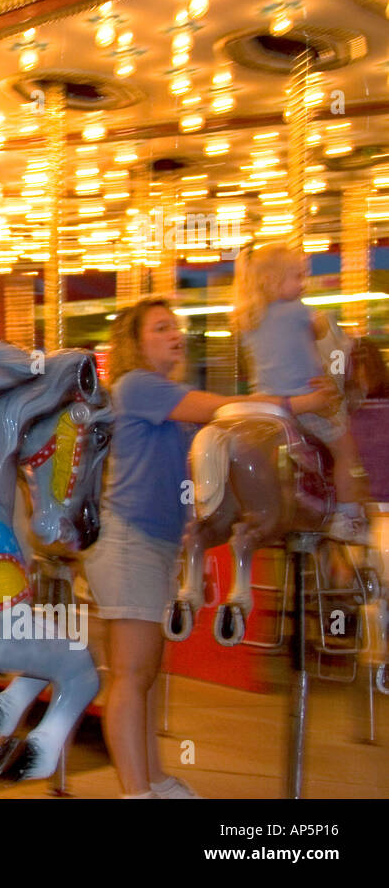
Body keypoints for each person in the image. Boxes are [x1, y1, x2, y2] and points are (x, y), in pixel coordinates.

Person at [84, 297, 337, 799]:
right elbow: (224, 409)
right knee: (132, 674)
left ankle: (153, 779)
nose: (176, 334)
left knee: (147, 674)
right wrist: (301, 403)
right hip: (128, 539)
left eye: (176, 327)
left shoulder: (168, 401)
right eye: (162, 328)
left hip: (155, 541)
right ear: (137, 342)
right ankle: (137, 791)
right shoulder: (137, 387)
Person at [234, 242, 369, 542]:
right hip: (306, 402)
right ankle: (347, 517)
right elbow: (329, 337)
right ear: (273, 280)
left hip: (265, 406)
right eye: (297, 276)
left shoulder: (246, 319)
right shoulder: (298, 312)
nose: (303, 284)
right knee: (346, 451)